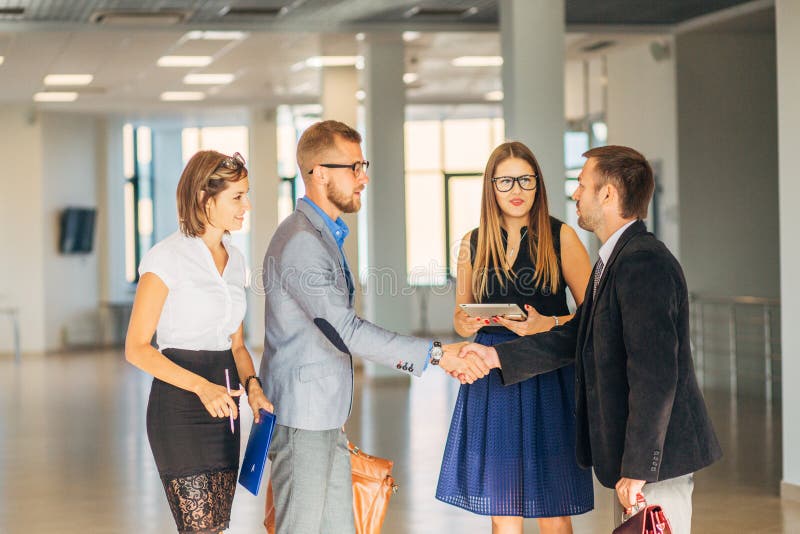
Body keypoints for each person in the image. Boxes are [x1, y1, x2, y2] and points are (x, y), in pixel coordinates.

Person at [460, 145, 722, 533]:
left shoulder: (643, 262)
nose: (575, 194)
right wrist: (497, 358)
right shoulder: (613, 260)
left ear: (608, 194)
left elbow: (656, 376)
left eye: (582, 185)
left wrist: (637, 468)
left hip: (658, 461)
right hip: (639, 461)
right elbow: (577, 336)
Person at [259, 120, 489, 534]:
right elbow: (345, 329)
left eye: (364, 165)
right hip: (303, 421)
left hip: (324, 418)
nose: (364, 177)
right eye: (354, 167)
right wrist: (437, 354)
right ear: (320, 173)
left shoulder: (323, 235)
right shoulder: (301, 242)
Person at [436, 141, 594, 534]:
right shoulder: (472, 243)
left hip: (546, 370)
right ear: (491, 187)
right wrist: (467, 322)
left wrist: (547, 323)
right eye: (505, 181)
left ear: (538, 185)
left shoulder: (562, 237)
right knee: (502, 506)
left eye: (525, 179)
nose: (516, 190)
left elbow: (596, 316)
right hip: (493, 378)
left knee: (552, 506)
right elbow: (459, 315)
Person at [125, 150, 274, 533]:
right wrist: (201, 388)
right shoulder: (166, 258)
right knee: (200, 529)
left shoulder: (236, 260)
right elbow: (137, 347)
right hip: (179, 410)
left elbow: (237, 345)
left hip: (226, 409)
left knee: (217, 526)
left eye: (247, 194)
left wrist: (253, 387)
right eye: (237, 197)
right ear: (206, 200)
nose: (247, 205)